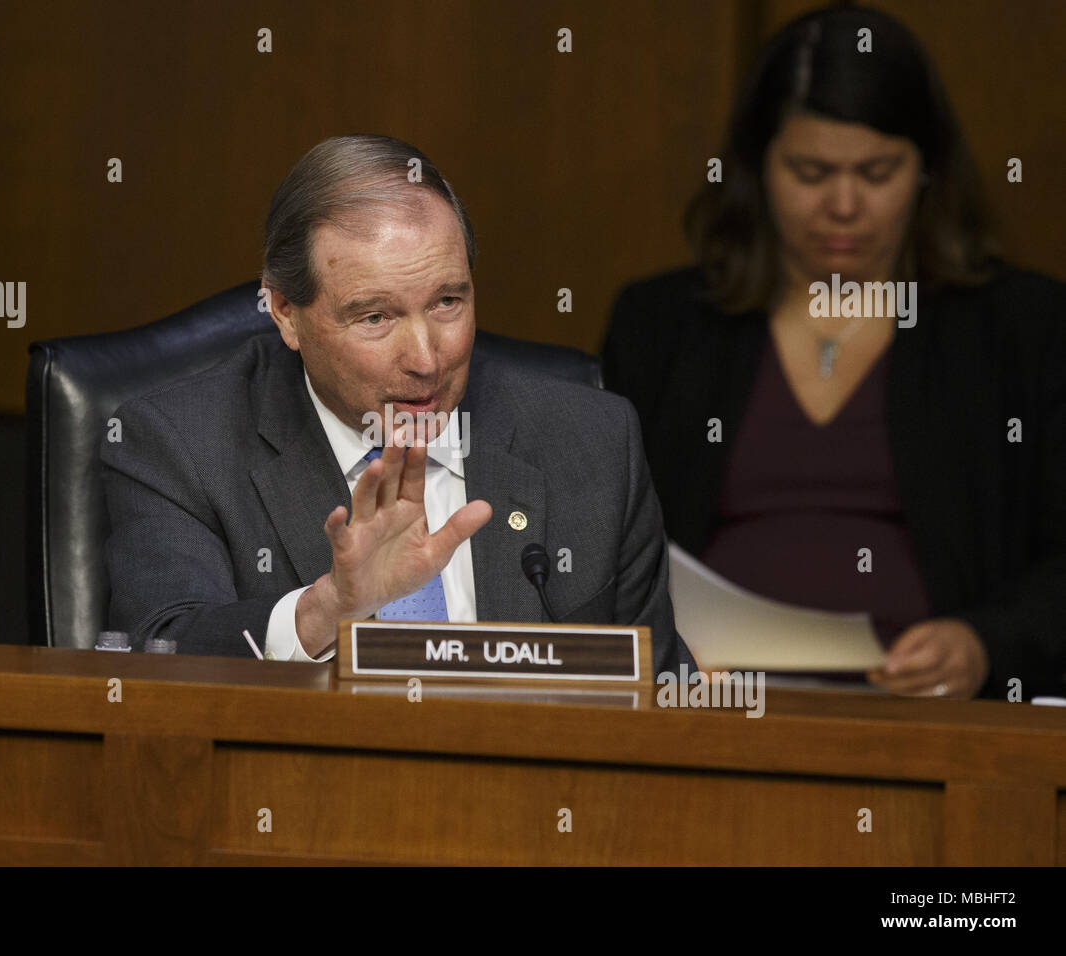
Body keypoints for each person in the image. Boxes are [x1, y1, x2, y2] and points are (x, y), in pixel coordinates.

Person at [602, 6, 1064, 700]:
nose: (844, 206)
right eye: (811, 172)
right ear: (759, 169)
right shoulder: (664, 324)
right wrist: (658, 646)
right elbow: (590, 539)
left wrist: (985, 643)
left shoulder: (1021, 327)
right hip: (706, 709)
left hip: (935, 722)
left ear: (927, 171)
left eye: (877, 173)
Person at [103, 134, 694, 674]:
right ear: (285, 312)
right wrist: (328, 608)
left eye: (446, 303)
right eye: (375, 317)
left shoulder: (592, 441)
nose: (426, 359)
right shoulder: (178, 442)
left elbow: (662, 703)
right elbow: (163, 659)